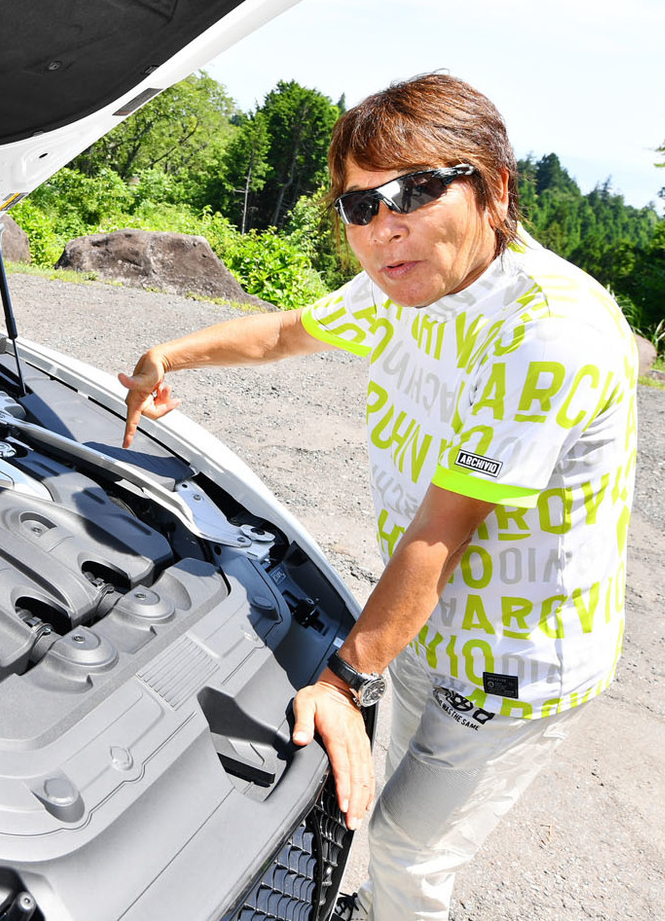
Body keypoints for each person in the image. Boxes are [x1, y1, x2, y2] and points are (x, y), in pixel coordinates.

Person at [119, 73, 637, 921]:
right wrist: (166, 355)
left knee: (407, 849)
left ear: (496, 189)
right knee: (396, 802)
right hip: (426, 626)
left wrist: (343, 679)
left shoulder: (549, 332)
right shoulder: (402, 284)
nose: (384, 226)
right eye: (360, 205)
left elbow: (443, 531)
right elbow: (284, 332)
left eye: (418, 190)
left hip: (515, 659)